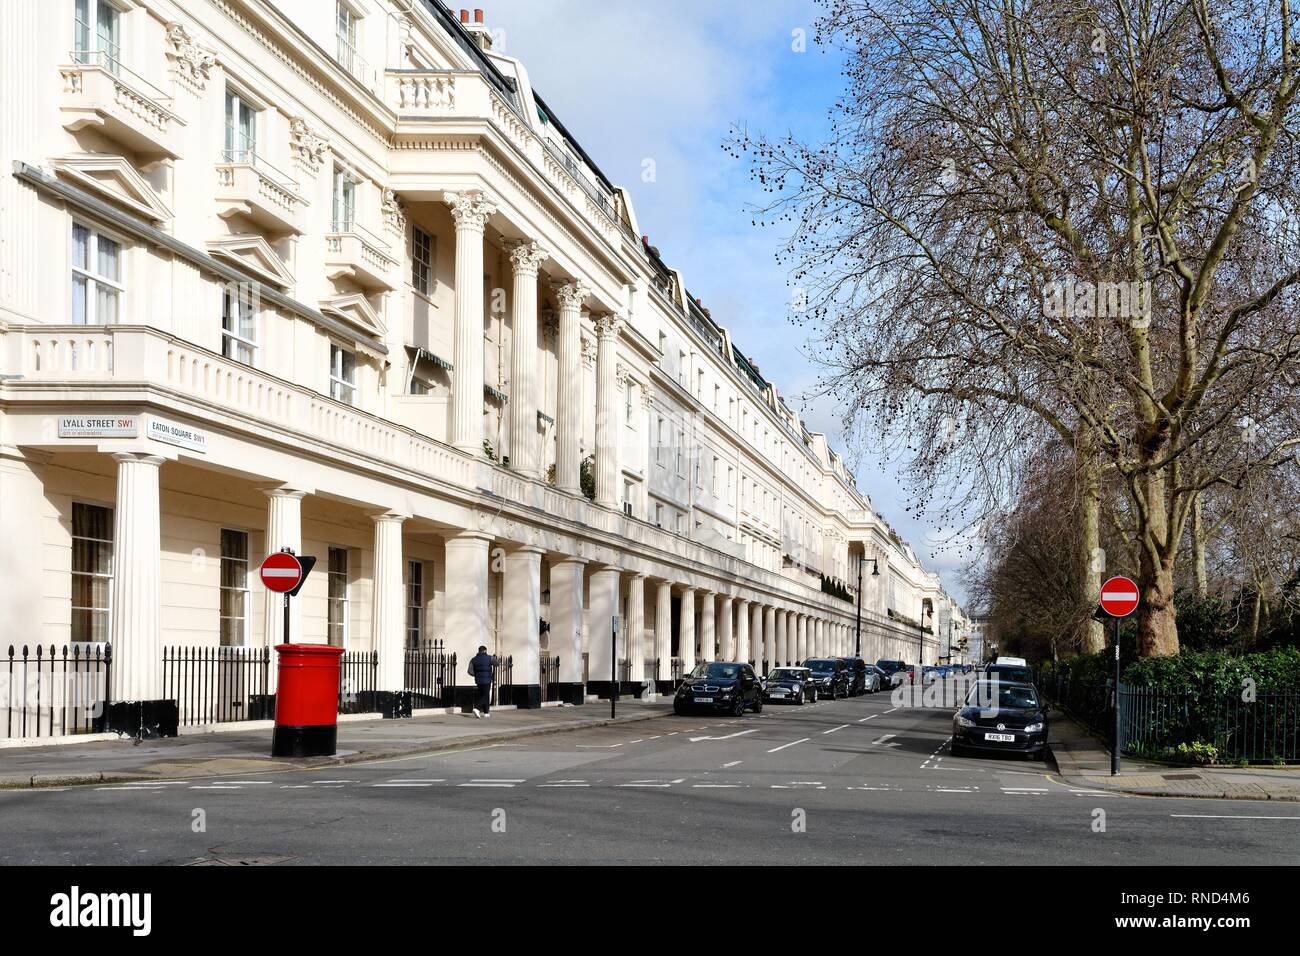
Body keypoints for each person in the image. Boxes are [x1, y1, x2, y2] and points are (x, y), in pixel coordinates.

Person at [468, 645, 494, 718]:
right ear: (485, 650)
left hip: (478, 680)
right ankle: (477, 708)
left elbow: (470, 671)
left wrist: (476, 675)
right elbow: (497, 663)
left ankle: (486, 712)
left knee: (483, 695)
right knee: (485, 695)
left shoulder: (473, 659)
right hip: (487, 679)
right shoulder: (490, 658)